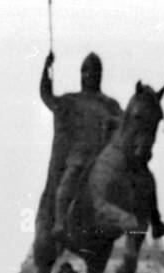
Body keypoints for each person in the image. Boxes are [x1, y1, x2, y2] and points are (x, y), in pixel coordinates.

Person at [40, 52, 123, 242]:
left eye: (94, 72)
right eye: (86, 71)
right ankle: (60, 222)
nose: (90, 75)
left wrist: (114, 121)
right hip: (80, 156)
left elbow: (125, 123)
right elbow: (48, 97)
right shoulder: (71, 101)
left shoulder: (110, 104)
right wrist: (46, 71)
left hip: (103, 159)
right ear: (81, 74)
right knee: (66, 185)